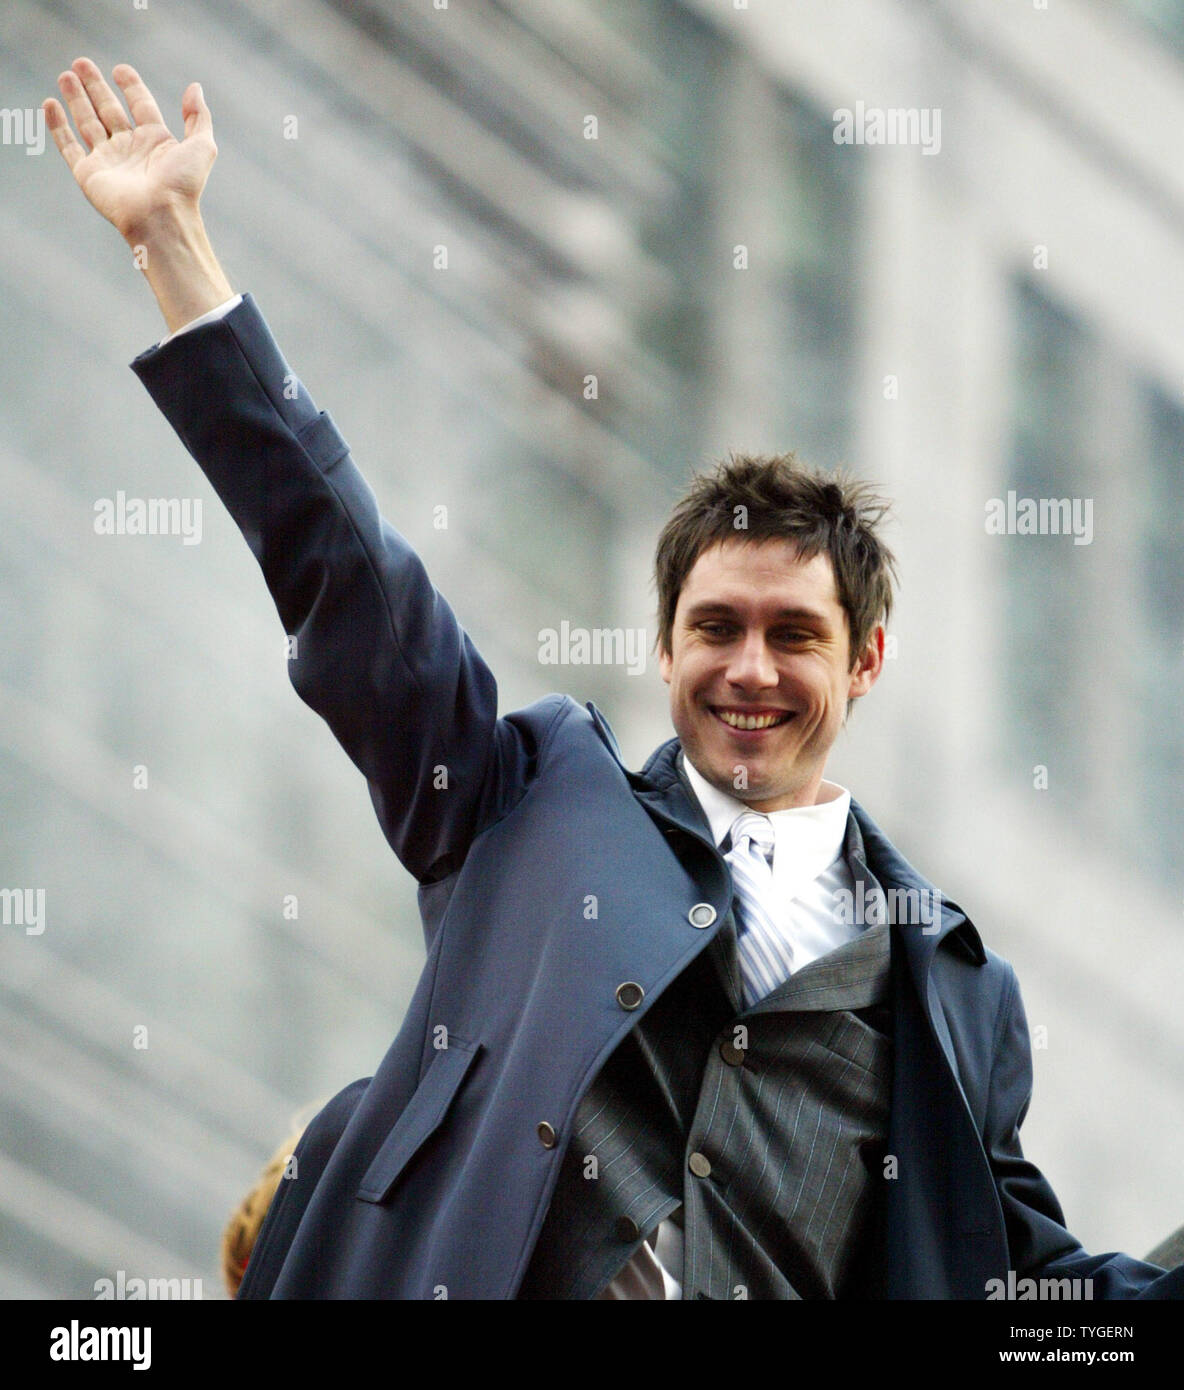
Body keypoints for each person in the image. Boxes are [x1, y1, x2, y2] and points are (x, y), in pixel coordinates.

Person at [45, 57, 1183, 1301]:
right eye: (716, 626)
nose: (749, 669)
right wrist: (173, 248)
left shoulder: (953, 994)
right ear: (664, 648)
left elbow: (1031, 1292)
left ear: (863, 660)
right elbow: (351, 580)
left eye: (793, 635)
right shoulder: (531, 798)